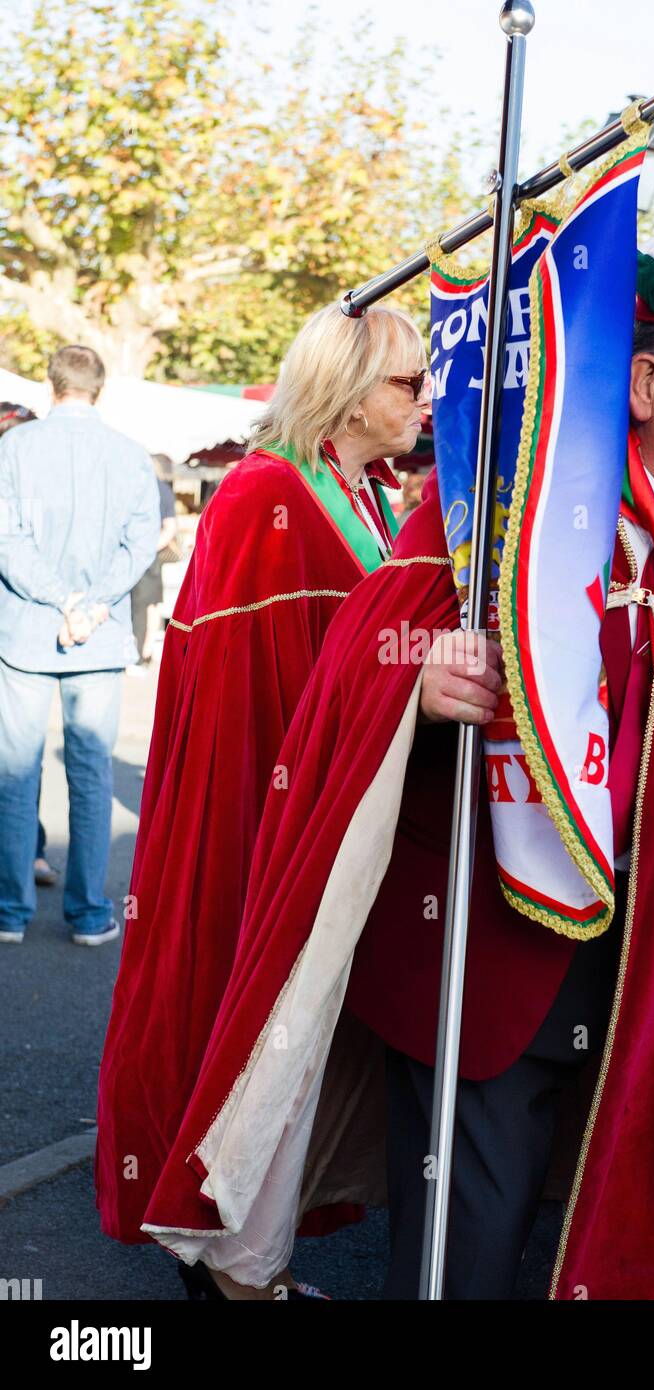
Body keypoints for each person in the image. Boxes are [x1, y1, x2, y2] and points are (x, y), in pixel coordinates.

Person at [119, 229, 654, 1303]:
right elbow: (349, 680)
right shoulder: (505, 513)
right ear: (646, 381)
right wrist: (415, 691)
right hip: (491, 970)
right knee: (463, 1262)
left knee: (632, 1242)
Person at [94, 301, 430, 1301]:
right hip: (260, 825)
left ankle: (249, 1259)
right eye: (405, 383)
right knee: (245, 1025)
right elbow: (248, 710)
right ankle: (227, 1267)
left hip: (318, 822)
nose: (423, 401)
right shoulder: (263, 495)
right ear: (341, 386)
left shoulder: (350, 489)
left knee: (298, 1042)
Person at [0, 347, 160, 946]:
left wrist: (63, 600)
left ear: (52, 384)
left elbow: (7, 539)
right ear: (99, 388)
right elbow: (141, 541)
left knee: (16, 772)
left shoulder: (13, 448)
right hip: (95, 631)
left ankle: (9, 912)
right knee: (91, 774)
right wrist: (89, 604)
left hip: (27, 629)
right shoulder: (127, 454)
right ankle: (89, 914)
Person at [0, 401, 58, 886]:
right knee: (20, 758)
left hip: (21, 632)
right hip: (23, 631)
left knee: (20, 759)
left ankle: (31, 851)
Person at [128, 453, 179, 671]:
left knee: (142, 606)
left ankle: (141, 655)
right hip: (149, 556)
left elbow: (169, 527)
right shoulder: (162, 489)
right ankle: (144, 653)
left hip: (145, 556)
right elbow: (170, 527)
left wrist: (145, 548)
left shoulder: (145, 489)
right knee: (151, 606)